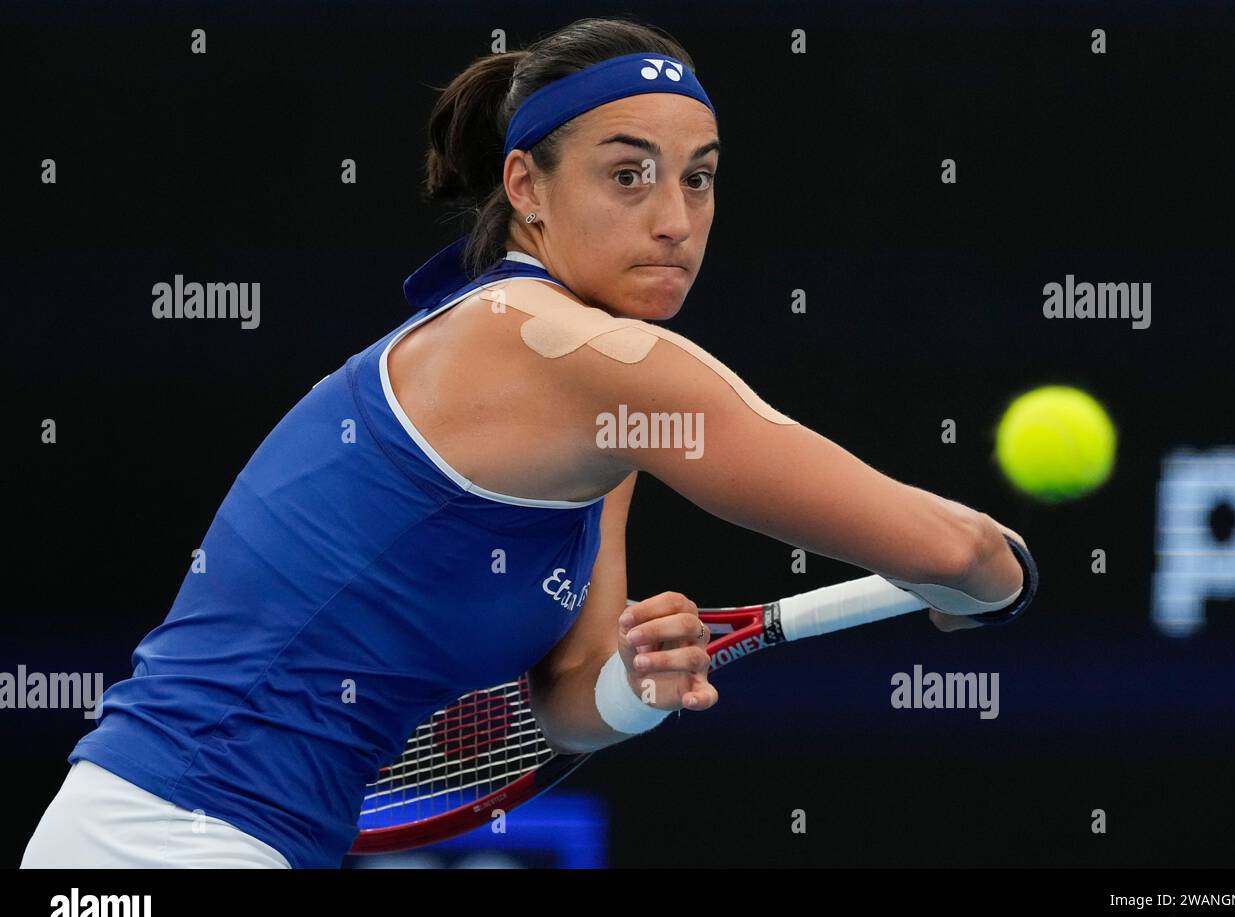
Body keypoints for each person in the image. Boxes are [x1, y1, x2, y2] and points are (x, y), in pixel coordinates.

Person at [21, 16, 1032, 870]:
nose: (676, 219)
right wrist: (998, 578)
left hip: (173, 842)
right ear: (526, 185)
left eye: (700, 179)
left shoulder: (593, 413)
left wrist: (636, 684)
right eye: (628, 175)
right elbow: (951, 551)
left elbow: (565, 699)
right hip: (167, 839)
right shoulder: (577, 357)